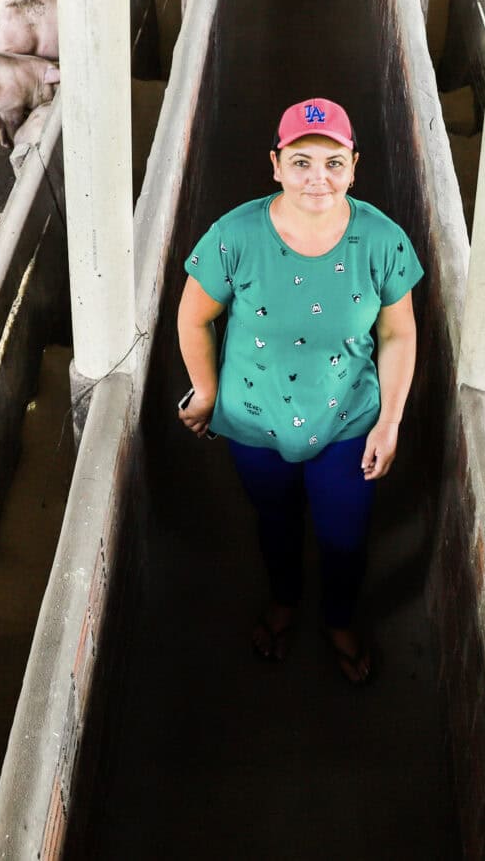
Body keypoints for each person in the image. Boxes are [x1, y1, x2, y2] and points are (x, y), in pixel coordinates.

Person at [176, 97, 421, 686]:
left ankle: (337, 617)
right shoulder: (234, 237)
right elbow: (192, 319)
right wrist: (206, 392)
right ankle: (284, 599)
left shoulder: (382, 241)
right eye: (302, 161)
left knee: (343, 532)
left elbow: (398, 333)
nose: (319, 178)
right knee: (275, 520)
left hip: (347, 419)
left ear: (355, 167)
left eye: (334, 163)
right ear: (276, 164)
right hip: (254, 419)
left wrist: (389, 421)